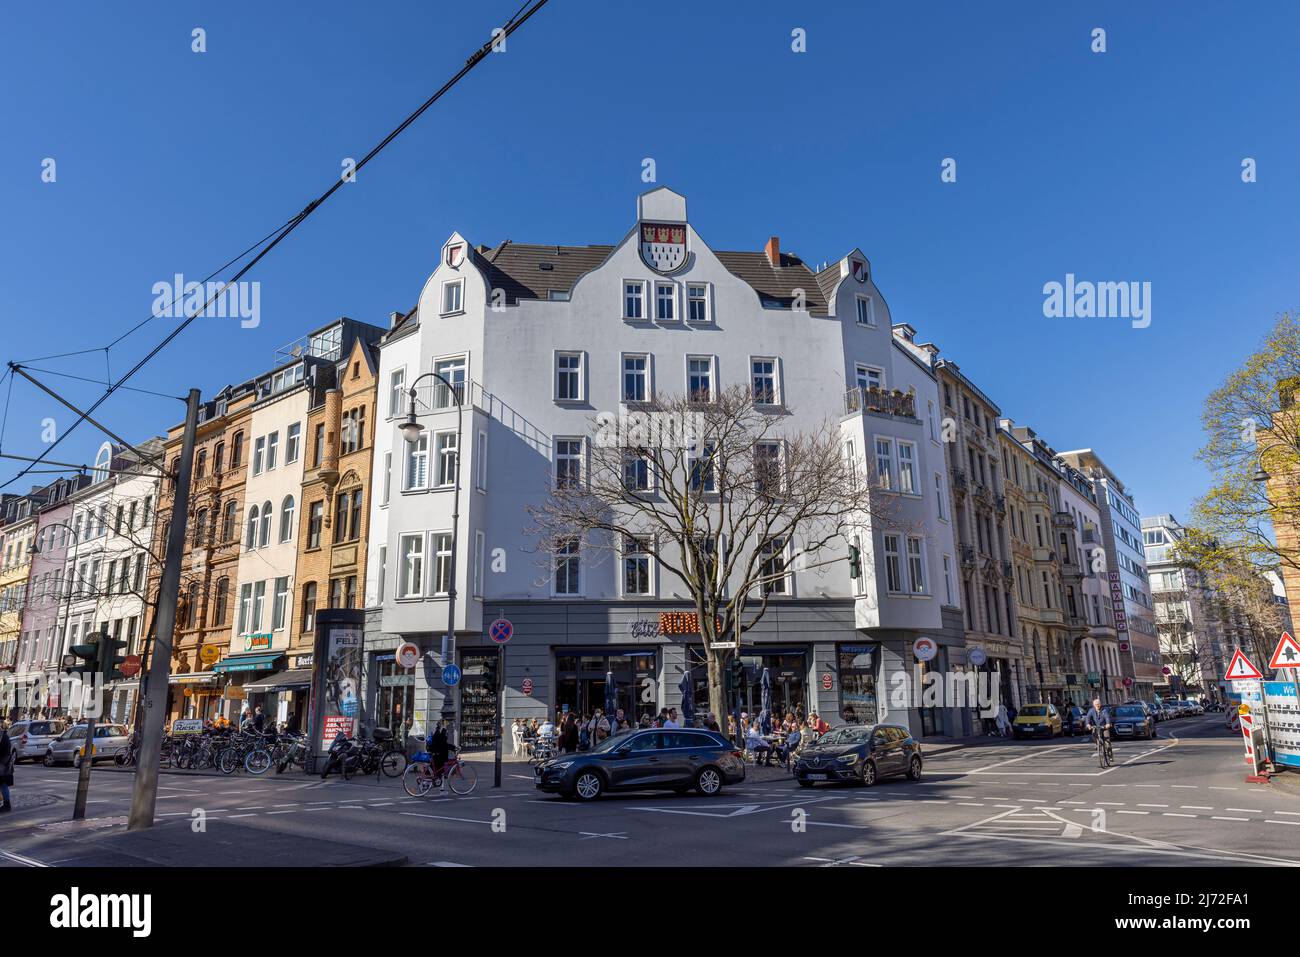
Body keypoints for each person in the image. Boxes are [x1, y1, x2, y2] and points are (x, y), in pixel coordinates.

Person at [427, 721, 458, 795]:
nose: (449, 726)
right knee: (440, 772)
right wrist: (454, 748)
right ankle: (441, 789)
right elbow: (444, 745)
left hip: (437, 755)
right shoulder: (441, 732)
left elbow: (443, 744)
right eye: (447, 725)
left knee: (439, 772)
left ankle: (440, 788)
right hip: (439, 756)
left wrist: (453, 747)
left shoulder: (438, 731)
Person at [0, 722, 14, 812]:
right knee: (3, 784)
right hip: (5, 764)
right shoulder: (4, 736)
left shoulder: (3, 737)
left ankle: (6, 804)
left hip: (2, 764)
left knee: (2, 784)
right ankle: (6, 804)